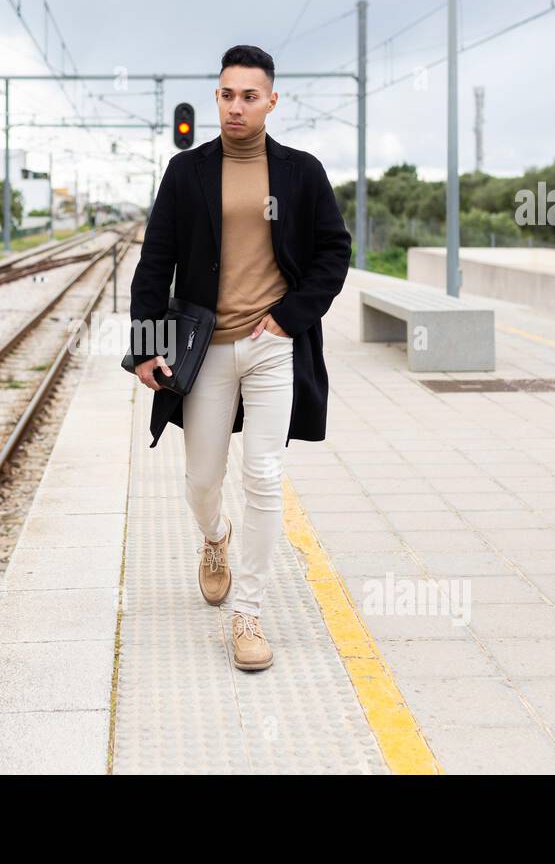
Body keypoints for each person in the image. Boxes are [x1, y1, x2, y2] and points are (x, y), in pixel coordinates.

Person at [127, 44, 351, 671]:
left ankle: (248, 613)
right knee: (202, 479)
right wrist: (144, 346)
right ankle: (215, 538)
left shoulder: (301, 172)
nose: (235, 107)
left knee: (264, 477)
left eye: (249, 96)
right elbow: (156, 260)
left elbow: (334, 252)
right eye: (226, 95)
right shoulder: (187, 171)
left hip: (272, 348)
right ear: (217, 97)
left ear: (271, 101)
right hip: (206, 351)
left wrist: (288, 319)